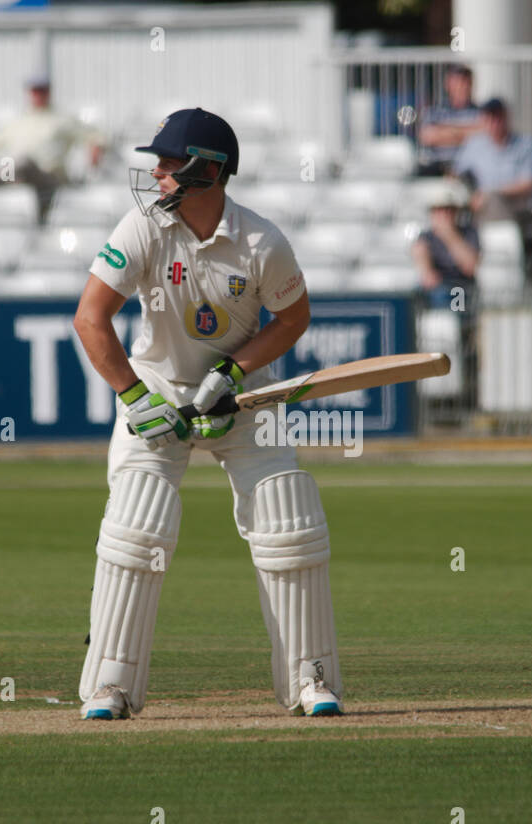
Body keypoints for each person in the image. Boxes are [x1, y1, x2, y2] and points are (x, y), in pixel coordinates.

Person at [72, 108, 343, 721]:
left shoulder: (262, 243)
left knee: (288, 519)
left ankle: (311, 680)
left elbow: (294, 320)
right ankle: (110, 686)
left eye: (170, 164)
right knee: (136, 527)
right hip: (157, 395)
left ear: (209, 171)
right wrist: (136, 400)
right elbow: (90, 319)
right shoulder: (142, 228)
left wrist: (232, 374)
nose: (158, 174)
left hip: (242, 400)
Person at [0, 74, 105, 211]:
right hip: (19, 176)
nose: (38, 95)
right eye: (35, 91)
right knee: (11, 163)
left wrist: (95, 149)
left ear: (48, 93)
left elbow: (96, 135)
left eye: (42, 91)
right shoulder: (18, 122)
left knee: (20, 162)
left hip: (50, 178)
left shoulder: (62, 119)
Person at [452, 98, 532, 275]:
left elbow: (527, 185)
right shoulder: (474, 145)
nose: (494, 123)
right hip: (481, 209)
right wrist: (471, 196)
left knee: (493, 203)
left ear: (506, 118)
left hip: (518, 208)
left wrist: (491, 194)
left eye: (498, 118)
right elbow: (455, 176)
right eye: (490, 118)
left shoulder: (524, 144)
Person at [412, 180, 480, 311]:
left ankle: (458, 329)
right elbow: (426, 273)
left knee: (455, 295)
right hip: (437, 288)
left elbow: (470, 266)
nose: (445, 214)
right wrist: (427, 272)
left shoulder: (469, 233)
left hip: (461, 286)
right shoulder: (425, 238)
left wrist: (449, 235)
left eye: (449, 210)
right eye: (440, 210)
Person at [416, 65, 481, 176]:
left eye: (466, 83)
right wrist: (467, 132)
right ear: (448, 85)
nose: (462, 87)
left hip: (468, 171)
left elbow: (485, 135)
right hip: (437, 168)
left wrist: (443, 132)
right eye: (458, 83)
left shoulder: (480, 112)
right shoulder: (435, 112)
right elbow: (427, 137)